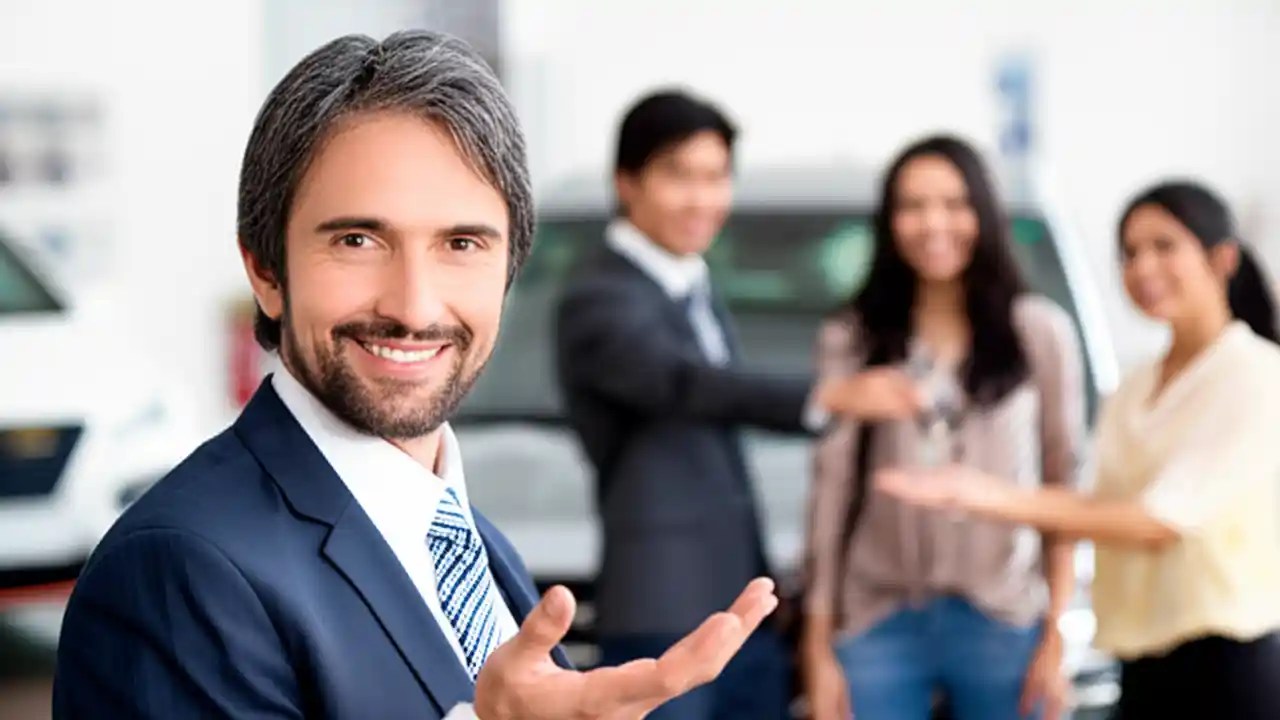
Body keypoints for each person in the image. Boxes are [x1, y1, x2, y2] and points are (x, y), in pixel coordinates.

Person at [51, 32, 779, 720]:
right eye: (358, 240)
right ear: (267, 272)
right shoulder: (178, 569)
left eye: (462, 243)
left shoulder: (477, 543)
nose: (413, 307)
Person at [879, 180, 1280, 719]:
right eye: (1130, 252)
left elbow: (1156, 521)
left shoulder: (1254, 374)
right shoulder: (1136, 386)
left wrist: (982, 494)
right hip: (1141, 660)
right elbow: (1088, 511)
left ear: (1222, 258)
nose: (1142, 268)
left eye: (1164, 246)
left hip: (1229, 663)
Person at [554, 90, 868, 719]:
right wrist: (822, 396)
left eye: (716, 177)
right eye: (679, 176)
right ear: (627, 183)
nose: (703, 199)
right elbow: (684, 382)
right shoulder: (599, 296)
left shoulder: (692, 282)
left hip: (743, 616)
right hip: (660, 615)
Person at [801, 135, 1083, 720]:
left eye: (955, 204)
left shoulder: (1039, 333)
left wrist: (1057, 634)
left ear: (983, 213)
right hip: (877, 618)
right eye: (913, 206)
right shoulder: (853, 337)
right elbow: (828, 495)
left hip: (1004, 616)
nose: (934, 224)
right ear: (889, 220)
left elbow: (1065, 487)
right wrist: (817, 643)